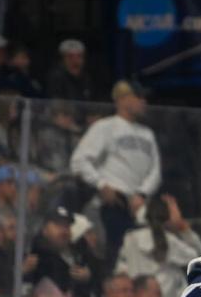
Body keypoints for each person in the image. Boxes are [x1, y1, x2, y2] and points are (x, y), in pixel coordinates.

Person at [69, 80, 162, 258]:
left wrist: (141, 194)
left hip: (140, 207)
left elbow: (155, 171)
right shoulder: (105, 127)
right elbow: (79, 161)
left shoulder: (147, 134)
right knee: (113, 255)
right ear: (123, 99)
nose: (144, 102)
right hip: (113, 204)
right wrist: (102, 184)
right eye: (139, 97)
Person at [115, 192, 201, 297]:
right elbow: (199, 253)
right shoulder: (171, 242)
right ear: (169, 218)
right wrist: (183, 227)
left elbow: (120, 270)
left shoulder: (130, 238)